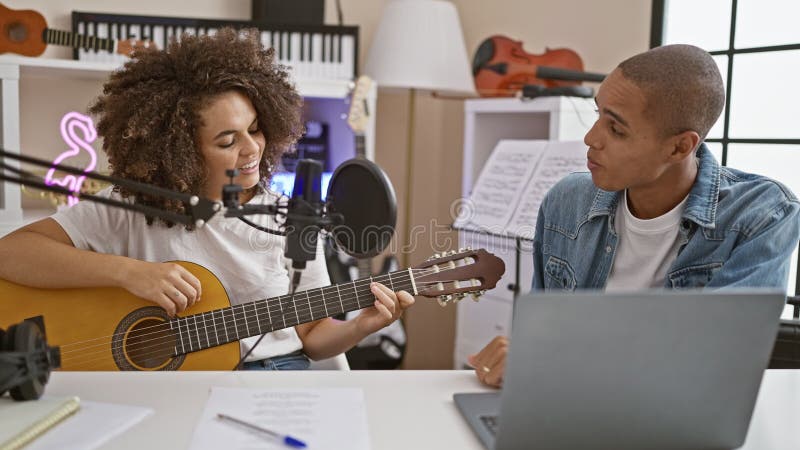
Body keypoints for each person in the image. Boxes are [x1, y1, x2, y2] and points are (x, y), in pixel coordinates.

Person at [0, 28, 414, 370]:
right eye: (227, 140)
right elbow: (11, 253)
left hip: (272, 375)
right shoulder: (128, 208)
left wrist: (362, 325)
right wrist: (127, 272)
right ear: (179, 150)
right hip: (162, 385)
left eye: (255, 128)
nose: (251, 149)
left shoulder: (290, 218)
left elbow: (312, 337)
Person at [469, 44, 800, 387]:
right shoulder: (565, 202)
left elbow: (720, 361)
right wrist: (521, 361)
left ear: (679, 147)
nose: (590, 138)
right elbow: (540, 336)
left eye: (616, 129)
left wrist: (555, 357)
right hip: (568, 405)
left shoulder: (763, 216)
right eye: (597, 115)